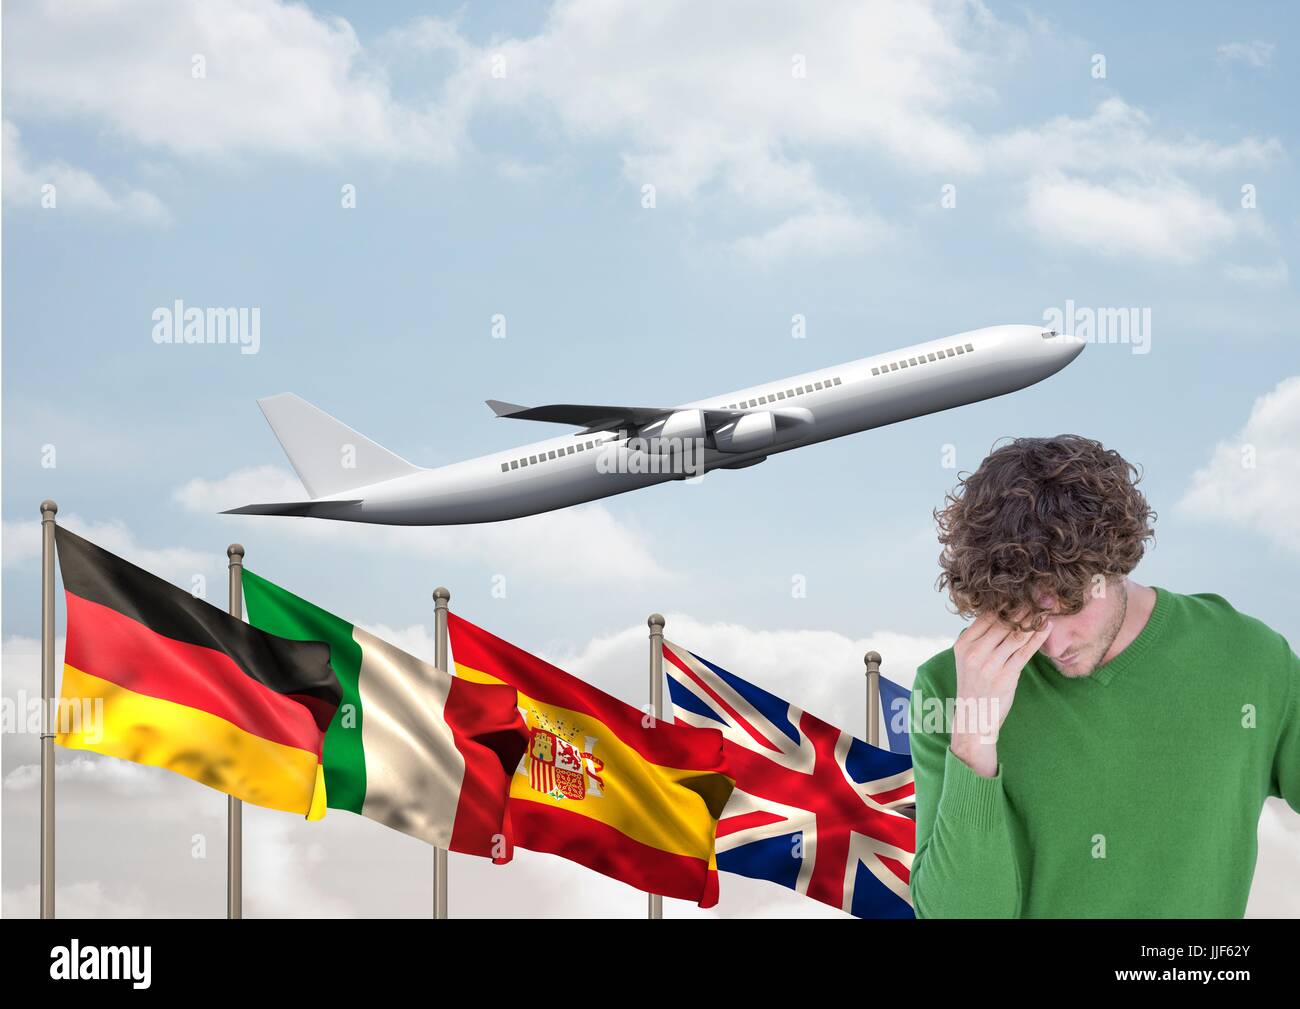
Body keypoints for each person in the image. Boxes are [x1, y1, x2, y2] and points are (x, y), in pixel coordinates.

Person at [909, 434, 1299, 917]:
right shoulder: (948, 690)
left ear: (1115, 563)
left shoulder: (1247, 657)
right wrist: (973, 743)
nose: (1051, 644)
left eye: (1068, 606)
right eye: (1018, 613)